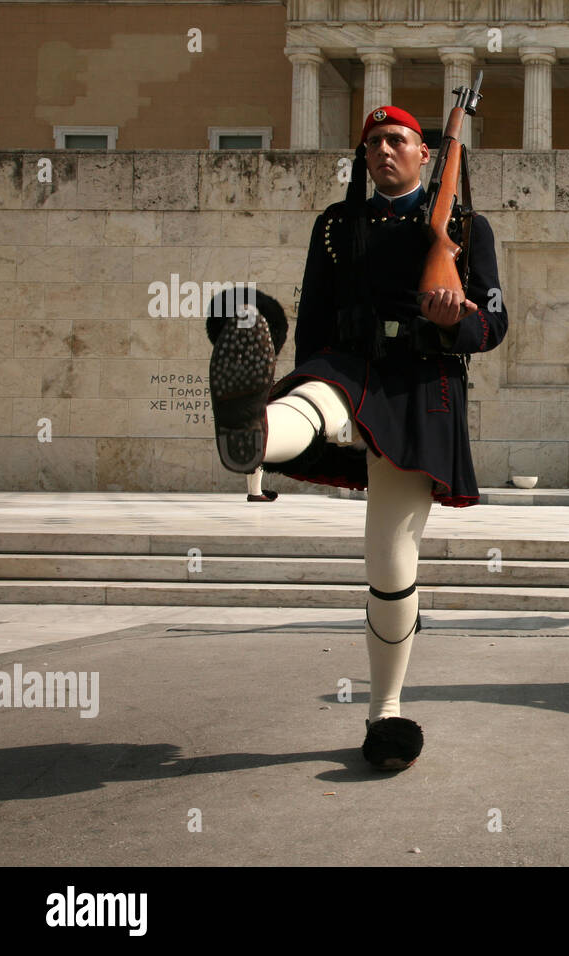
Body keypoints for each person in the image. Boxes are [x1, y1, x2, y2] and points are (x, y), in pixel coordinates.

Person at [206, 104, 507, 771]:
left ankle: (384, 712)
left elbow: (493, 324)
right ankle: (251, 426)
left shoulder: (463, 226)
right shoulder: (338, 225)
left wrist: (453, 321)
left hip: (420, 385)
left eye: (396, 140)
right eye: (371, 143)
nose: (382, 151)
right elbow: (315, 313)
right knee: (309, 400)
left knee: (391, 564)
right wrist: (301, 364)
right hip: (348, 365)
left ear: (426, 154)